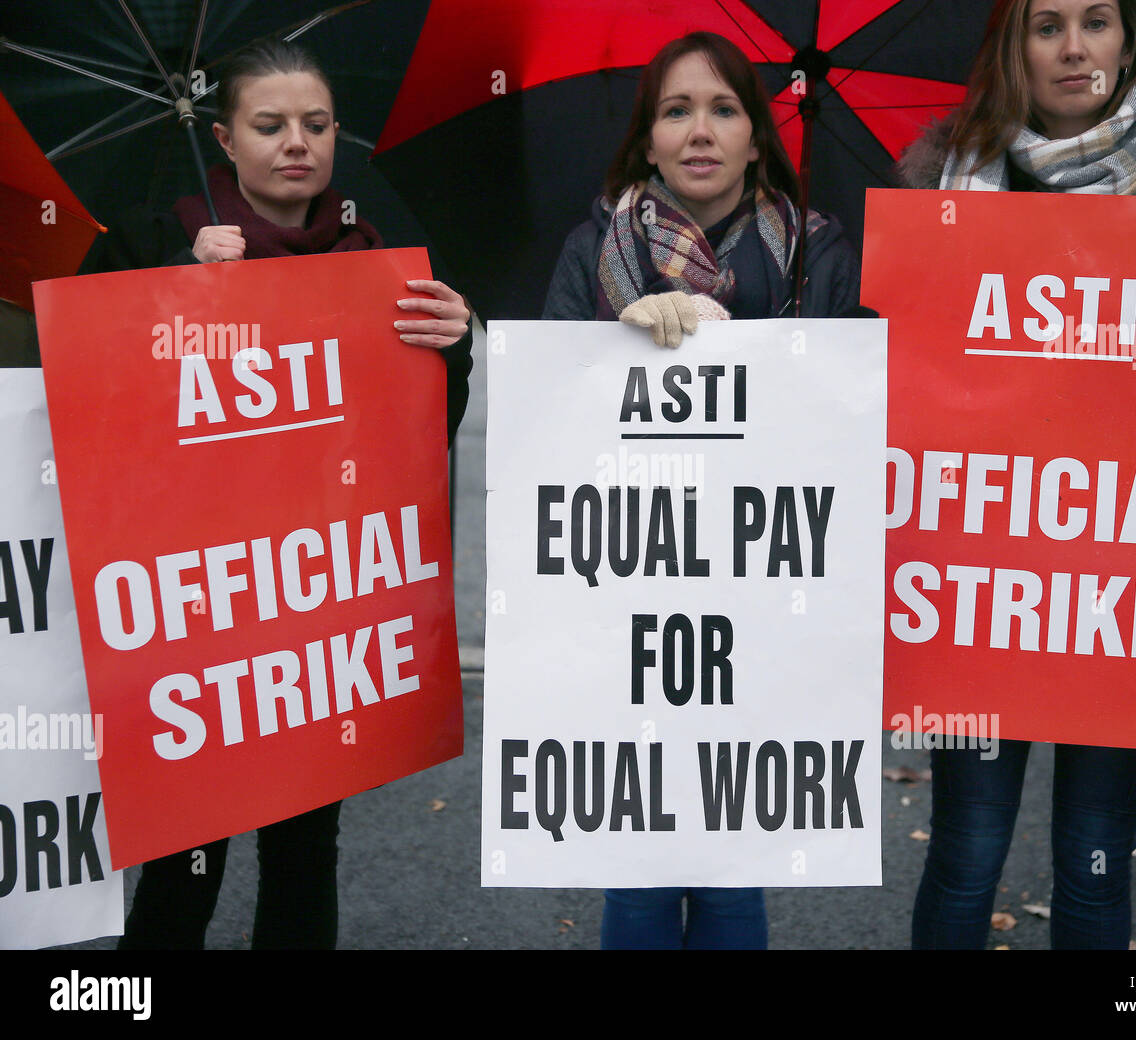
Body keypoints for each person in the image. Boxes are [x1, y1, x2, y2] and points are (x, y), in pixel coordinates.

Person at [896, 0, 1136, 949]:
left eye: (1097, 21)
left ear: (1131, 39)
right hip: (980, 595)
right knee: (966, 852)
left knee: (1096, 861)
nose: (1074, 49)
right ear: (1013, 47)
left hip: (1122, 601)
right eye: (1047, 24)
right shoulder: (946, 190)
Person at [82, 39, 472, 950]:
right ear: (222, 138)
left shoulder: (378, 263)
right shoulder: (150, 237)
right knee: (190, 844)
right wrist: (174, 283)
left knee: (307, 840)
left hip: (316, 602)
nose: (296, 142)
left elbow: (420, 441)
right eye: (269, 126)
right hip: (198, 603)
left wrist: (450, 348)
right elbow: (90, 393)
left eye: (316, 124)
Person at [542, 30, 862, 950]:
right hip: (626, 601)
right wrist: (610, 350)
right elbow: (548, 431)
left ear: (759, 137)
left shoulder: (817, 257)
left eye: (724, 108)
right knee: (639, 861)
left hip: (763, 604)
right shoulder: (593, 254)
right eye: (675, 110)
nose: (700, 130)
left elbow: (846, 427)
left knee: (732, 860)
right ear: (646, 139)